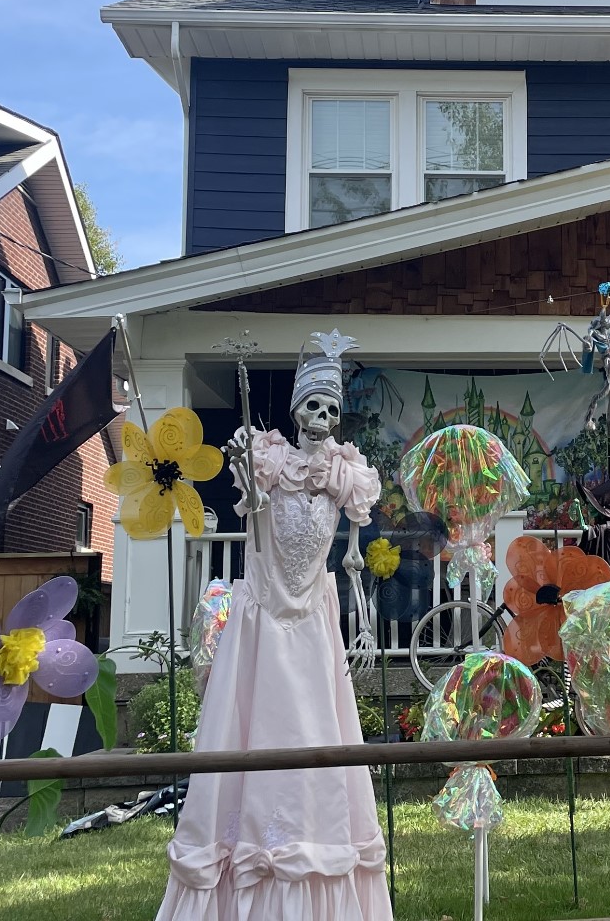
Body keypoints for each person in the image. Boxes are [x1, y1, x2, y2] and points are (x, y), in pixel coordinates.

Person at [156, 331, 392, 921]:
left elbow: (352, 557)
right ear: (294, 409)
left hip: (314, 626)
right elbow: (252, 511)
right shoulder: (263, 461)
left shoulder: (345, 474)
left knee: (318, 741)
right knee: (253, 738)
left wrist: (363, 619)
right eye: (313, 405)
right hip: (260, 627)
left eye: (332, 409)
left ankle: (317, 863)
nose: (323, 419)